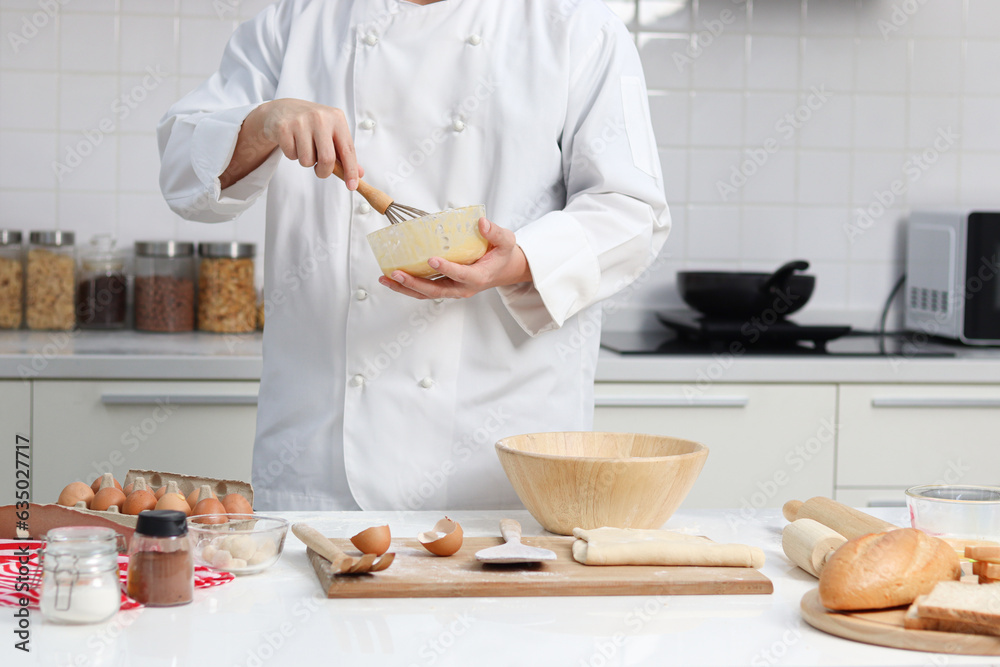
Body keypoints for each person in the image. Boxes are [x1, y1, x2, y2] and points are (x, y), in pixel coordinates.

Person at [158, 0, 669, 511]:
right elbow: (184, 174)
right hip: (322, 466)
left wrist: (519, 262)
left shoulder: (577, 25)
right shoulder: (296, 22)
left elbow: (632, 212)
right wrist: (262, 122)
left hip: (504, 454)